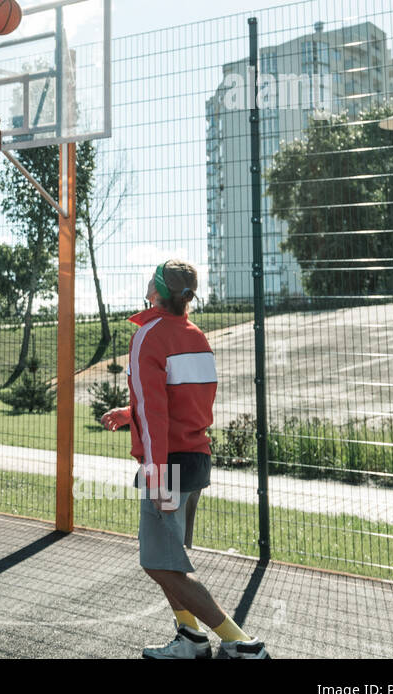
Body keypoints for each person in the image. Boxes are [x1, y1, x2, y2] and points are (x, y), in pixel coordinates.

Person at [102, 260, 270, 659]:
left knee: (160, 564)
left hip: (168, 464)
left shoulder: (149, 336)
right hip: (195, 460)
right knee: (167, 557)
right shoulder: (196, 336)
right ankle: (190, 638)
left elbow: (157, 412)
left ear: (156, 290)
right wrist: (130, 415)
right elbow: (183, 400)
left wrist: (157, 475)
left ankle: (240, 642)